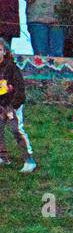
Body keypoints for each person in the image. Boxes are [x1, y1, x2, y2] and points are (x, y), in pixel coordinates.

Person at [0, 39, 34, 172]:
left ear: (4, 51)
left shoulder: (12, 68)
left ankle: (29, 159)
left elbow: (20, 89)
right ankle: (2, 156)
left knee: (16, 129)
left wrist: (13, 106)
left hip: (13, 104)